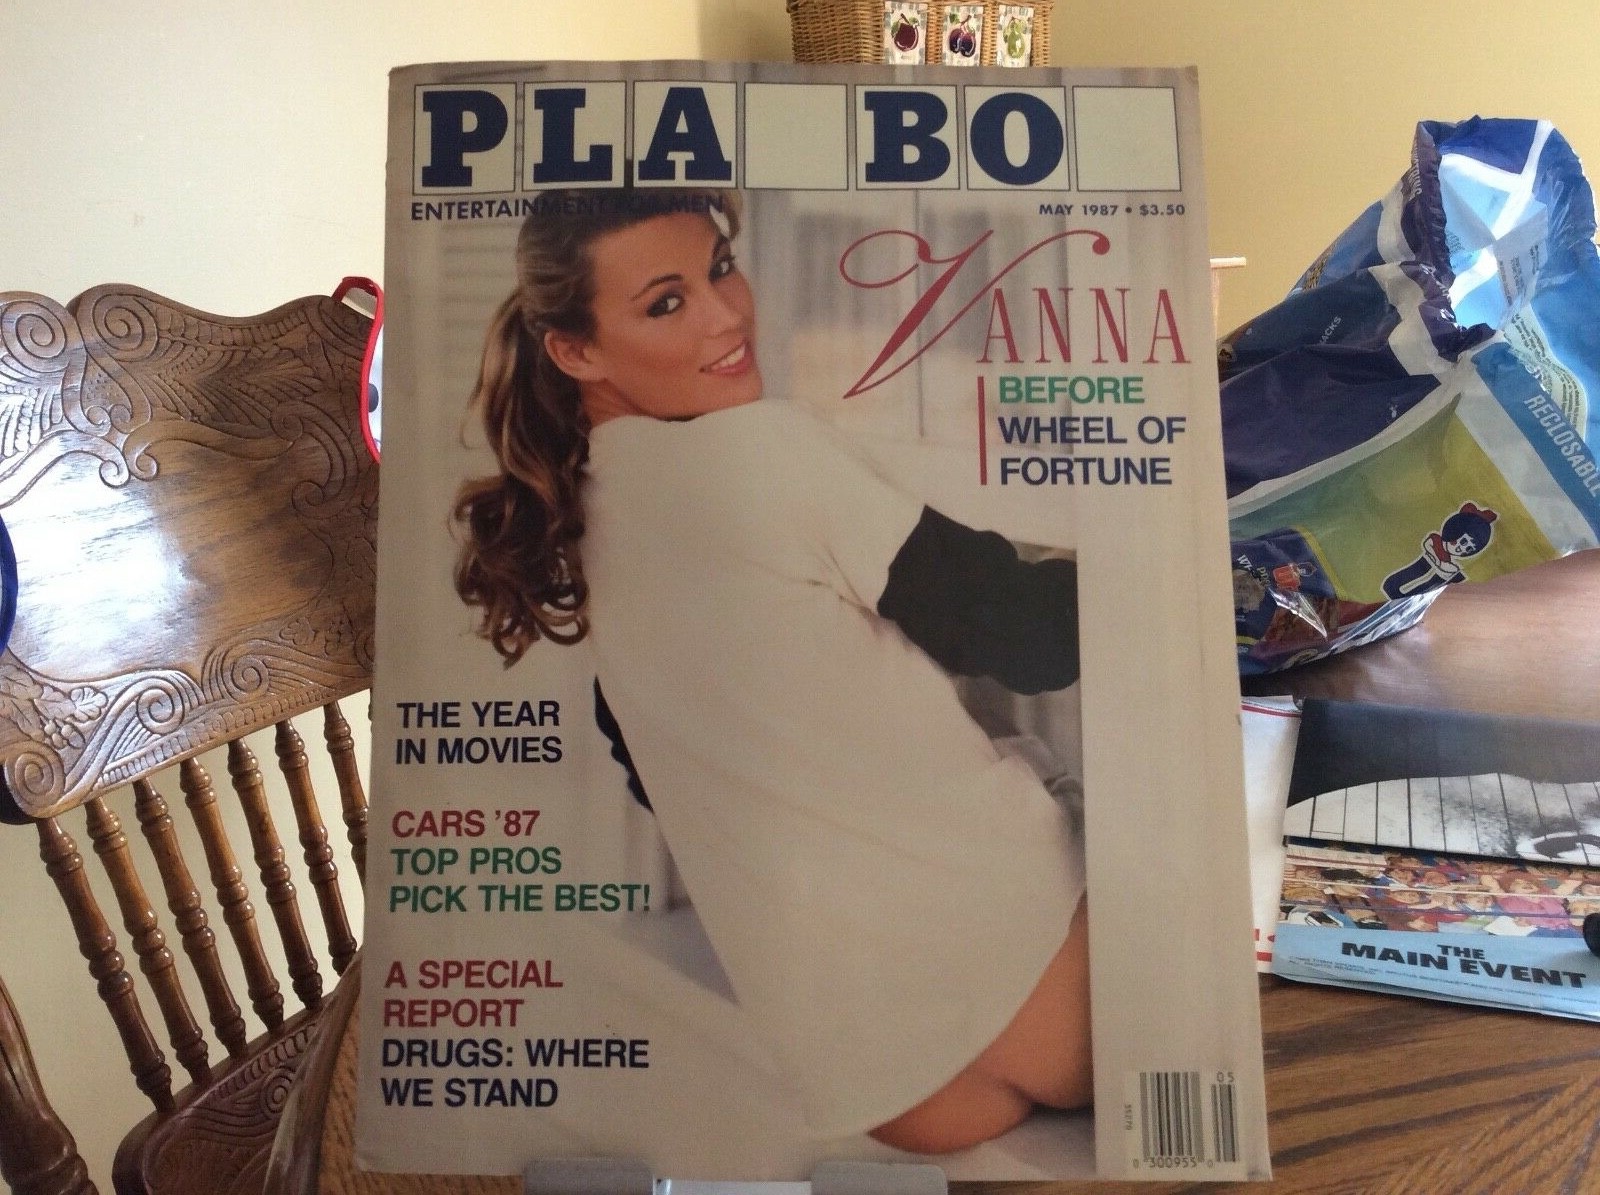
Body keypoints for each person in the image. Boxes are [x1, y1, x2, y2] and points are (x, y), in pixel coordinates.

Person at [452, 186, 1089, 1154]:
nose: (725, 316)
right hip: (1028, 979)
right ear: (575, 352)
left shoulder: (586, 522)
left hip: (884, 1084)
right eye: (667, 303)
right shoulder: (764, 450)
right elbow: (1034, 640)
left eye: (720, 269)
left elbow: (650, 771)